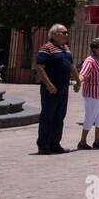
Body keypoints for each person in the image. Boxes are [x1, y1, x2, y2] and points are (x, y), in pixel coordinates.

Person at [35, 23, 75, 155]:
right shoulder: (46, 48)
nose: (66, 34)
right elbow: (39, 67)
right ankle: (43, 145)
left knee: (59, 116)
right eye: (63, 32)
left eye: (67, 32)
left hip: (64, 88)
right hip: (51, 89)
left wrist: (78, 80)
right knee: (48, 116)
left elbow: (71, 66)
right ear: (54, 34)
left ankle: (55, 144)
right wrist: (49, 84)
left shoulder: (66, 49)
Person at [75, 37, 99, 150]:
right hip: (93, 94)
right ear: (94, 49)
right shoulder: (90, 61)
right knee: (90, 117)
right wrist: (78, 82)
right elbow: (83, 74)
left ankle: (97, 141)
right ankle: (82, 142)